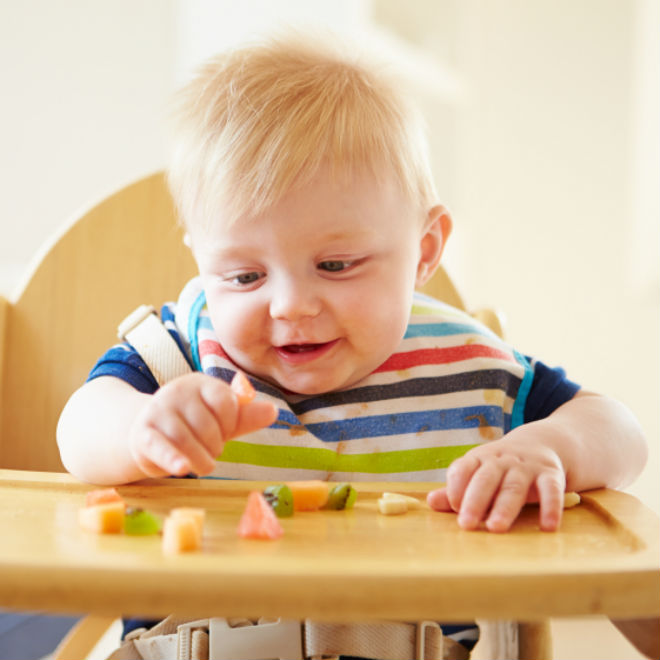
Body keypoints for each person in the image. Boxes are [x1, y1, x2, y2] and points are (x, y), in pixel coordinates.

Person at [56, 35, 648, 659]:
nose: (289, 305)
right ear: (203, 262)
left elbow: (621, 433)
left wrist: (548, 446)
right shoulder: (180, 359)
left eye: (335, 264)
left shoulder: (470, 375)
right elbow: (78, 431)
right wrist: (141, 430)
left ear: (423, 252)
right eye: (244, 277)